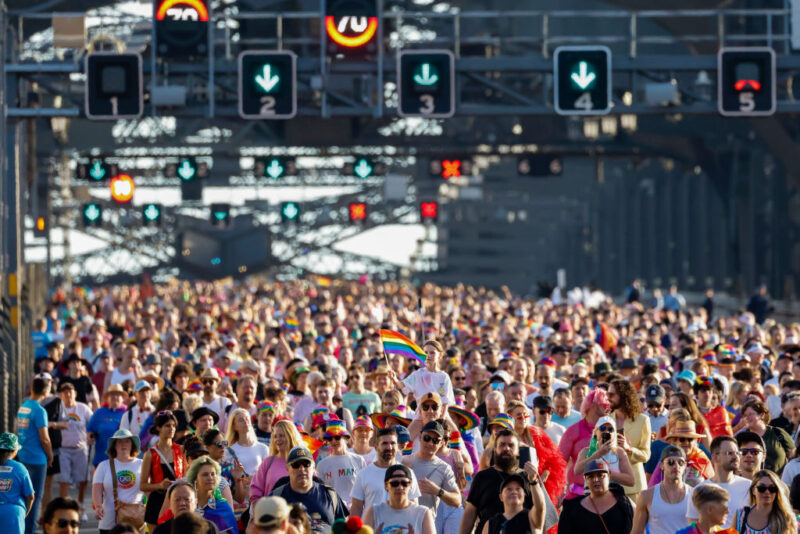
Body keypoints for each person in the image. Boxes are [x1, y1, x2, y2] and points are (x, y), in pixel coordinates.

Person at [459, 429, 536, 534]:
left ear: (518, 450)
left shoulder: (528, 477)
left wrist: (534, 481)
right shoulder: (482, 477)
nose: (506, 448)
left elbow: (539, 513)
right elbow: (470, 513)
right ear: (495, 449)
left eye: (511, 445)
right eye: (502, 445)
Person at [269, 446, 349, 534]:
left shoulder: (330, 494)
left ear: (313, 467)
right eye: (296, 465)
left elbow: (344, 527)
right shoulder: (275, 498)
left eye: (306, 464)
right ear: (287, 468)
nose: (302, 469)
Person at [350, 427, 422, 518]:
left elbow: (414, 508)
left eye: (393, 443)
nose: (389, 447)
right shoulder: (363, 474)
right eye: (384, 443)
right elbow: (356, 508)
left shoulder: (408, 473)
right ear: (376, 447)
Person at [686, 436, 751, 529]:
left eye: (737, 453)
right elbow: (693, 528)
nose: (736, 457)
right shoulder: (700, 490)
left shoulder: (749, 486)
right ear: (715, 457)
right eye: (730, 453)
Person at [16, 376, 53, 534]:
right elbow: (44, 439)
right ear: (45, 391)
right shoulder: (39, 410)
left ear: (32, 389)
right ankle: (30, 530)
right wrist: (50, 456)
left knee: (23, 495)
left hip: (23, 456)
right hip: (37, 460)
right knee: (35, 498)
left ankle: (21, 528)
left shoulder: (23, 407)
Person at [557, 458, 634, 534]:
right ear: (585, 479)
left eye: (600, 475)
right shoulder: (572, 508)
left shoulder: (625, 503)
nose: (596, 479)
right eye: (590, 477)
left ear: (609, 475)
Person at [559, 387, 610, 500]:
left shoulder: (611, 428)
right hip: (578, 493)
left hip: (606, 492)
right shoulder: (574, 431)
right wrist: (560, 490)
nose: (607, 406)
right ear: (592, 405)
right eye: (603, 403)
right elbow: (560, 463)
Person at [403, 420, 461, 520]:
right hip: (405, 522)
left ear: (442, 442)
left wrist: (438, 491)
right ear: (420, 437)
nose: (430, 443)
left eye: (435, 440)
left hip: (428, 524)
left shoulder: (444, 468)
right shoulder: (405, 462)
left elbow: (457, 501)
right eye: (427, 438)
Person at [91, 429, 144, 534]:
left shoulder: (141, 464)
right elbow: (97, 489)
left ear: (132, 445)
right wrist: (98, 506)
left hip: (136, 519)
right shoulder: (103, 466)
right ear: (114, 445)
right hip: (109, 520)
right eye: (119, 441)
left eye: (127, 441)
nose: (123, 444)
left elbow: (148, 489)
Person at [140, 411, 186, 531]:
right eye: (167, 426)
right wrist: (160, 485)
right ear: (158, 428)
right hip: (156, 502)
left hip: (177, 500)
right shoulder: (150, 454)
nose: (171, 429)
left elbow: (187, 476)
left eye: (173, 426)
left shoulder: (181, 450)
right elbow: (143, 485)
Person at [631, 446, 691, 534]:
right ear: (662, 465)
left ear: (685, 466)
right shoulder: (647, 496)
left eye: (680, 462)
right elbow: (637, 532)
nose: (676, 466)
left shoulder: (694, 495)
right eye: (671, 462)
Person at [363, 464, 435, 534]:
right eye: (394, 483)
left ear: (410, 485)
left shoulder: (423, 513)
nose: (400, 487)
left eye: (404, 483)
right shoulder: (373, 512)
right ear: (386, 485)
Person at [608, 379, 651, 496]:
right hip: (609, 486)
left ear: (623, 395)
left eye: (612, 394)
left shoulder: (643, 420)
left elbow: (646, 455)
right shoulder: (605, 419)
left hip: (634, 487)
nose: (608, 397)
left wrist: (629, 449)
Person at [56, 381, 92, 514]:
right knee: (64, 480)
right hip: (63, 449)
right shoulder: (58, 408)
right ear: (61, 395)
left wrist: (90, 434)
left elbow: (92, 422)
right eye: (65, 392)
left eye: (70, 392)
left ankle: (80, 505)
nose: (68, 394)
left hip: (80, 448)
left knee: (82, 479)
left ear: (75, 394)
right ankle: (64, 508)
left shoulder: (83, 408)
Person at [573, 416, 635, 490]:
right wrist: (599, 454)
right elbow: (577, 470)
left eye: (610, 429)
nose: (606, 431)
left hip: (614, 495)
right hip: (591, 495)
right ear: (596, 432)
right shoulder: (586, 451)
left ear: (614, 434)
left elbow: (631, 481)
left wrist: (607, 473)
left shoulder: (619, 452)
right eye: (602, 428)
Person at [315, 420, 365, 509]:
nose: (334, 441)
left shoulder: (359, 460)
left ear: (345, 438)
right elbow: (321, 492)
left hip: (356, 510)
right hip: (333, 509)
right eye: (330, 438)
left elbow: (364, 489)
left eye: (337, 437)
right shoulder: (322, 465)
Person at [251, 420, 305, 502]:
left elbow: (314, 486)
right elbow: (255, 492)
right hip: (272, 512)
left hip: (298, 512)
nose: (277, 439)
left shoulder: (304, 461)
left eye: (281, 436)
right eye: (275, 436)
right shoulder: (268, 462)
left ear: (291, 437)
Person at [739, 399, 795, 475]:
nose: (747, 418)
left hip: (779, 482)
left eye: (750, 414)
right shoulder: (742, 437)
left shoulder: (778, 433)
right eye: (745, 415)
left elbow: (794, 458)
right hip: (752, 483)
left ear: (762, 415)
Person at [733, 469, 798, 534]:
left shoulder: (786, 518)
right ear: (753, 490)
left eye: (772, 488)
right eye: (762, 488)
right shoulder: (741, 514)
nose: (767, 492)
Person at [186, 456, 238, 534]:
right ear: (195, 478)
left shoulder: (223, 507)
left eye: (213, 474)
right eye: (205, 475)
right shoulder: (187, 505)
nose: (210, 478)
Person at [0, 433, 35, 534]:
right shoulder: (20, 468)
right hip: (14, 514)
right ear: (15, 451)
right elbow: (30, 497)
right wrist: (23, 514)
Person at [152, 481, 218, 534]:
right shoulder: (161, 530)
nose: (182, 503)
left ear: (196, 502)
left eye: (187, 499)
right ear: (170, 505)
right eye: (177, 500)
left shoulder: (208, 528)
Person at [87, 384, 128, 466]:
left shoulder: (128, 413)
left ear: (122, 398)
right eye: (112, 394)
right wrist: (89, 437)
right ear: (107, 398)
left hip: (122, 461)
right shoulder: (99, 413)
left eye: (118, 394)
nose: (115, 397)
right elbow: (89, 431)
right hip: (101, 460)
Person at [226, 407, 270, 477]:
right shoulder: (229, 451)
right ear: (234, 426)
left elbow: (267, 473)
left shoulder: (263, 448)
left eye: (247, 419)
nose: (245, 422)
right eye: (241, 420)